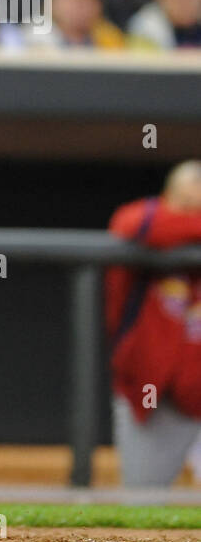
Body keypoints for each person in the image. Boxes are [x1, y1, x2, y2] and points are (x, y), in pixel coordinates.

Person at [106, 161, 201, 486]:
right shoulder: (141, 219)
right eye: (186, 206)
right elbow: (137, 225)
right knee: (143, 502)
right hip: (152, 392)